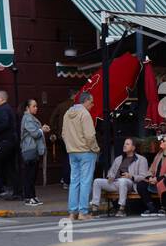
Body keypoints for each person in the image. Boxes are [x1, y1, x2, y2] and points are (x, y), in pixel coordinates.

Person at [62, 92, 100, 221]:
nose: (92, 105)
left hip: (72, 151)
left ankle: (72, 213)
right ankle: (83, 212)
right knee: (85, 182)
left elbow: (63, 133)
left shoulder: (67, 113)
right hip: (85, 151)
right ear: (87, 101)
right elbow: (90, 136)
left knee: (74, 182)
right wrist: (95, 149)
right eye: (92, 102)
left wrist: (70, 146)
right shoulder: (84, 114)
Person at [90, 138, 148, 216]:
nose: (124, 146)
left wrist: (131, 176)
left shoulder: (141, 159)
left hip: (130, 182)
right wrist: (110, 176)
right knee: (97, 181)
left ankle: (121, 208)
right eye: (124, 144)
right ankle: (95, 208)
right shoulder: (119, 158)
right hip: (115, 182)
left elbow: (143, 176)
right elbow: (111, 172)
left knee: (123, 181)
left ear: (133, 147)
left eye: (127, 144)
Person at [136, 134, 166, 217]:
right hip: (156, 180)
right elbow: (151, 169)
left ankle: (164, 208)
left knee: (165, 182)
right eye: (161, 140)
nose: (161, 141)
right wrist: (150, 177)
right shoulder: (159, 155)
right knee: (141, 185)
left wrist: (158, 179)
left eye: (163, 141)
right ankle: (151, 208)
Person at [19, 98, 48, 206]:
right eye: (34, 106)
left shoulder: (30, 117)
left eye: (36, 106)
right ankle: (28, 197)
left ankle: (33, 196)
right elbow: (35, 133)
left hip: (33, 149)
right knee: (29, 175)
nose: (36, 108)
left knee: (32, 174)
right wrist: (42, 130)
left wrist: (42, 128)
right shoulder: (27, 118)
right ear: (27, 108)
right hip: (30, 149)